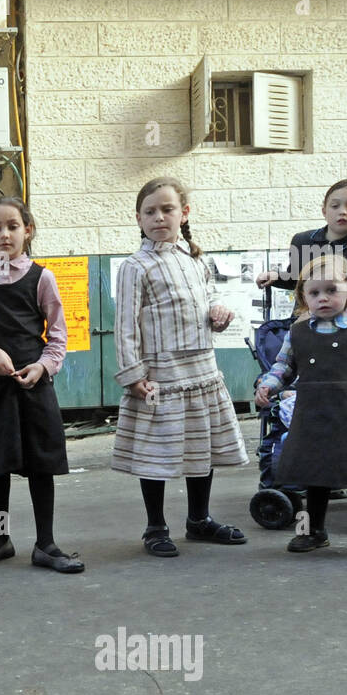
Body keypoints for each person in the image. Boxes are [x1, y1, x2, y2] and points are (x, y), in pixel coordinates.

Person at [111, 177, 248, 556]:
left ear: (183, 213)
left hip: (201, 370)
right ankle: (155, 526)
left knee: (200, 445)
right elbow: (125, 325)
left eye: (167, 209)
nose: (159, 217)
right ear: (138, 218)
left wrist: (218, 313)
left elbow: (208, 303)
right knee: (158, 452)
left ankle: (199, 520)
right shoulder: (135, 266)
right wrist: (134, 374)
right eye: (150, 211)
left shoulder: (195, 260)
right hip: (161, 375)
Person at [0, 196, 83, 574]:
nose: (5, 234)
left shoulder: (42, 277)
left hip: (35, 385)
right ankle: (1, 537)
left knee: (41, 463)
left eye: (13, 226)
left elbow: (59, 335)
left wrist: (44, 367)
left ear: (27, 231)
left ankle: (45, 543)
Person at [255, 255, 347, 559]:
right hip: (312, 415)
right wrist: (267, 385)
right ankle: (312, 532)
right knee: (314, 476)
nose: (323, 298)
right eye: (314, 292)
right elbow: (283, 367)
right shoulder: (298, 332)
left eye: (332, 290)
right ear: (304, 296)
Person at [256, 178, 347, 293]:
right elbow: (295, 279)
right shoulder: (302, 240)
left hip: (344, 316)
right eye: (335, 206)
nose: (343, 211)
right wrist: (275, 277)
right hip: (304, 315)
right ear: (324, 211)